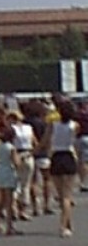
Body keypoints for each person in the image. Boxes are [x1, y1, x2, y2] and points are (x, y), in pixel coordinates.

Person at [45, 99, 79, 238]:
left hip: (56, 157)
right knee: (67, 195)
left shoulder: (53, 125)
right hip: (69, 156)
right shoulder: (74, 125)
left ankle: (66, 223)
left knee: (61, 196)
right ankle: (65, 225)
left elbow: (45, 140)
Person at [0, 124, 20, 236]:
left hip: (0, 172)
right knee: (9, 201)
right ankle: (9, 226)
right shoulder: (11, 148)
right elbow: (16, 162)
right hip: (9, 172)